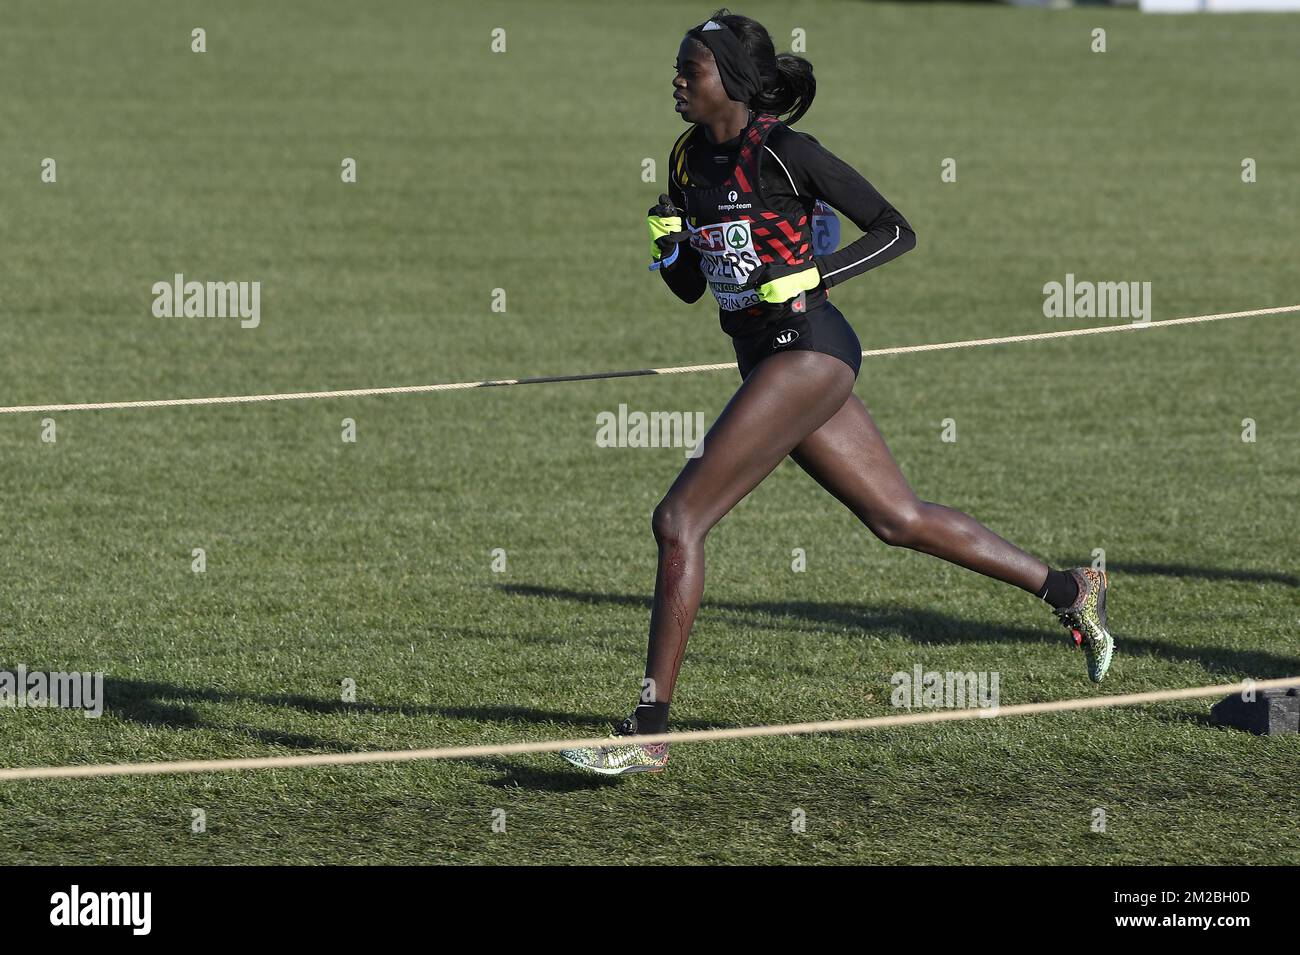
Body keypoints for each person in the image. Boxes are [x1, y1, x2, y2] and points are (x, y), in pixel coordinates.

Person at [560, 9, 1113, 776]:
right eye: (678, 67)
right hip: (764, 361)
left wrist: (814, 275)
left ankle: (649, 728)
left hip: (813, 353)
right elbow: (694, 289)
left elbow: (895, 229)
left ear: (737, 81)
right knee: (898, 518)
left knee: (678, 518)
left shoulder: (788, 154)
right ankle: (1068, 586)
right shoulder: (688, 161)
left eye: (694, 68)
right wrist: (670, 247)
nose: (678, 80)